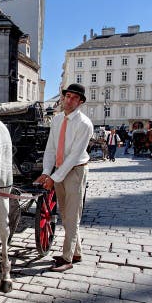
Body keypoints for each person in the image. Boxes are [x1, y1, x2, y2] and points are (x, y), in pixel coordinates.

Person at [35, 83, 94, 272]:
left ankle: (67, 258)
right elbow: (51, 148)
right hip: (60, 169)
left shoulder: (84, 124)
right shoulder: (57, 119)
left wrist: (54, 177)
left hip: (76, 170)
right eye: (67, 96)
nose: (69, 100)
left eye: (74, 98)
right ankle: (77, 253)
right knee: (65, 214)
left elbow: (75, 155)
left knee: (73, 215)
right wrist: (46, 171)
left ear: (80, 102)